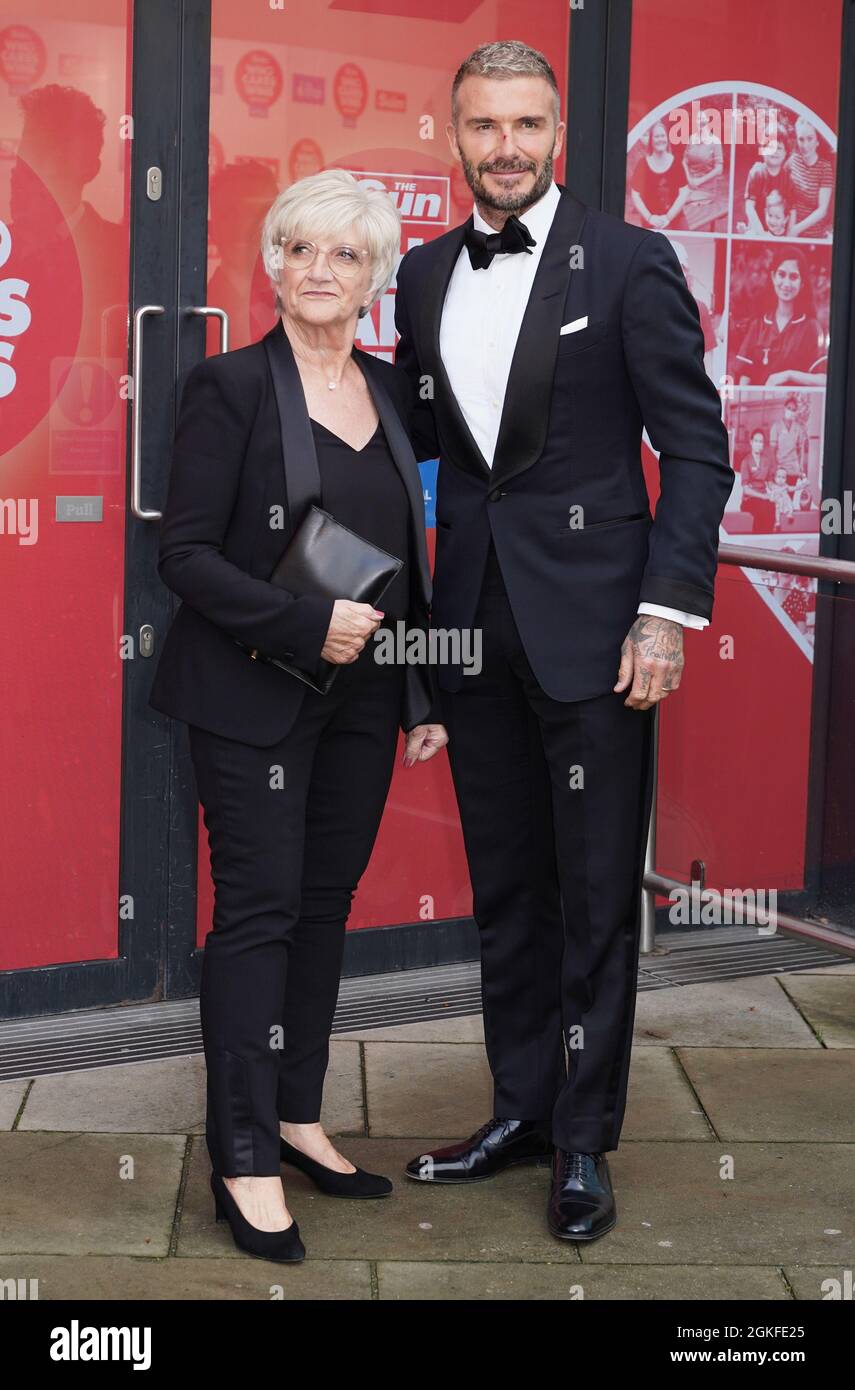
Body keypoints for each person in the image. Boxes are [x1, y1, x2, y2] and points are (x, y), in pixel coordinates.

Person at [394, 40, 733, 1242]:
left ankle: (584, 1141)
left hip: (600, 634)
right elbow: (421, 453)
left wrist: (668, 610)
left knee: (593, 898)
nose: (506, 147)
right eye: (483, 125)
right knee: (508, 893)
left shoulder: (633, 263)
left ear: (557, 135)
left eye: (526, 124)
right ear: (454, 136)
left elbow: (697, 448)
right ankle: (521, 1110)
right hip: (475, 629)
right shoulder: (424, 275)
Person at [148, 168, 448, 1262]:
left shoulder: (391, 391)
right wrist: (299, 622)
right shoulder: (227, 385)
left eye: (345, 255)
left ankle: (296, 1112)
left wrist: (416, 687)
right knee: (262, 914)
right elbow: (181, 556)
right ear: (272, 262)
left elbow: (407, 564)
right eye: (299, 249)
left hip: (366, 701)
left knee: (325, 910)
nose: (320, 271)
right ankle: (240, 1156)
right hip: (252, 694)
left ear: (373, 277)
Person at [733, 247, 825, 386]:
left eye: (793, 277)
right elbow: (745, 375)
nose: (786, 284)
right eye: (781, 274)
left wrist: (788, 375)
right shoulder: (758, 324)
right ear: (773, 277)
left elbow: (824, 380)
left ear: (802, 283)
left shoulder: (811, 327)